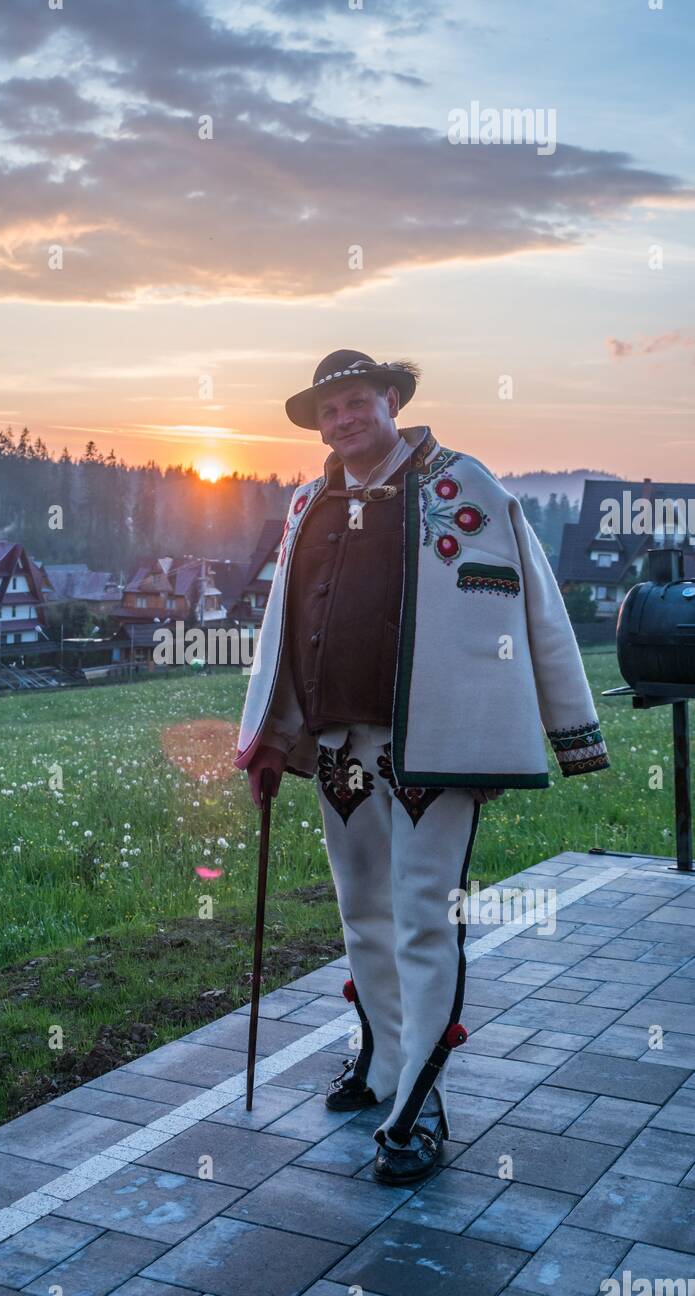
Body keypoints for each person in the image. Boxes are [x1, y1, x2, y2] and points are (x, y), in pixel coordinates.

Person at [235, 350, 610, 1183]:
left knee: (421, 918)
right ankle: (379, 1066)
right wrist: (266, 735)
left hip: (434, 749)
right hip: (337, 748)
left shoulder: (461, 487)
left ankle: (419, 1102)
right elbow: (279, 630)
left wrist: (570, 728)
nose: (343, 420)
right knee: (362, 914)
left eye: (357, 402)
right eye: (328, 410)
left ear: (392, 401)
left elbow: (534, 601)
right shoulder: (307, 503)